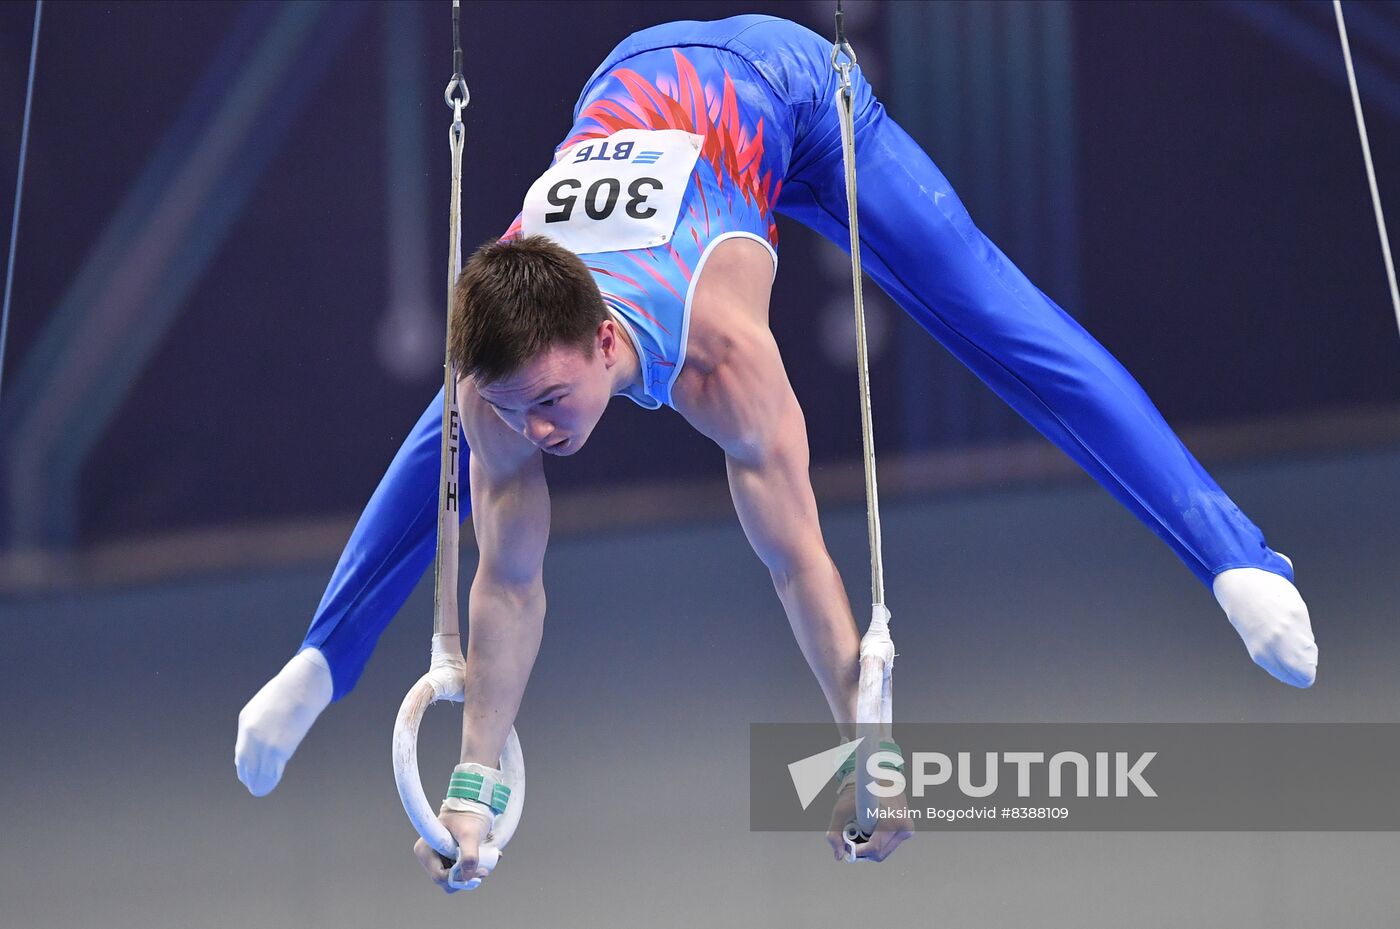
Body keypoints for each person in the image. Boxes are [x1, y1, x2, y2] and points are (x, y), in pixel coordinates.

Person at [234, 14, 1318, 881]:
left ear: (609, 340)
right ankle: (317, 660)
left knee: (996, 317)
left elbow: (797, 559)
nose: (541, 430)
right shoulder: (500, 378)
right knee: (453, 447)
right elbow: (506, 580)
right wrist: (472, 788)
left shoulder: (721, 356)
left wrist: (863, 748)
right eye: (521, 410)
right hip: (625, 83)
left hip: (784, 95)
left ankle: (1233, 557)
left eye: (554, 400)